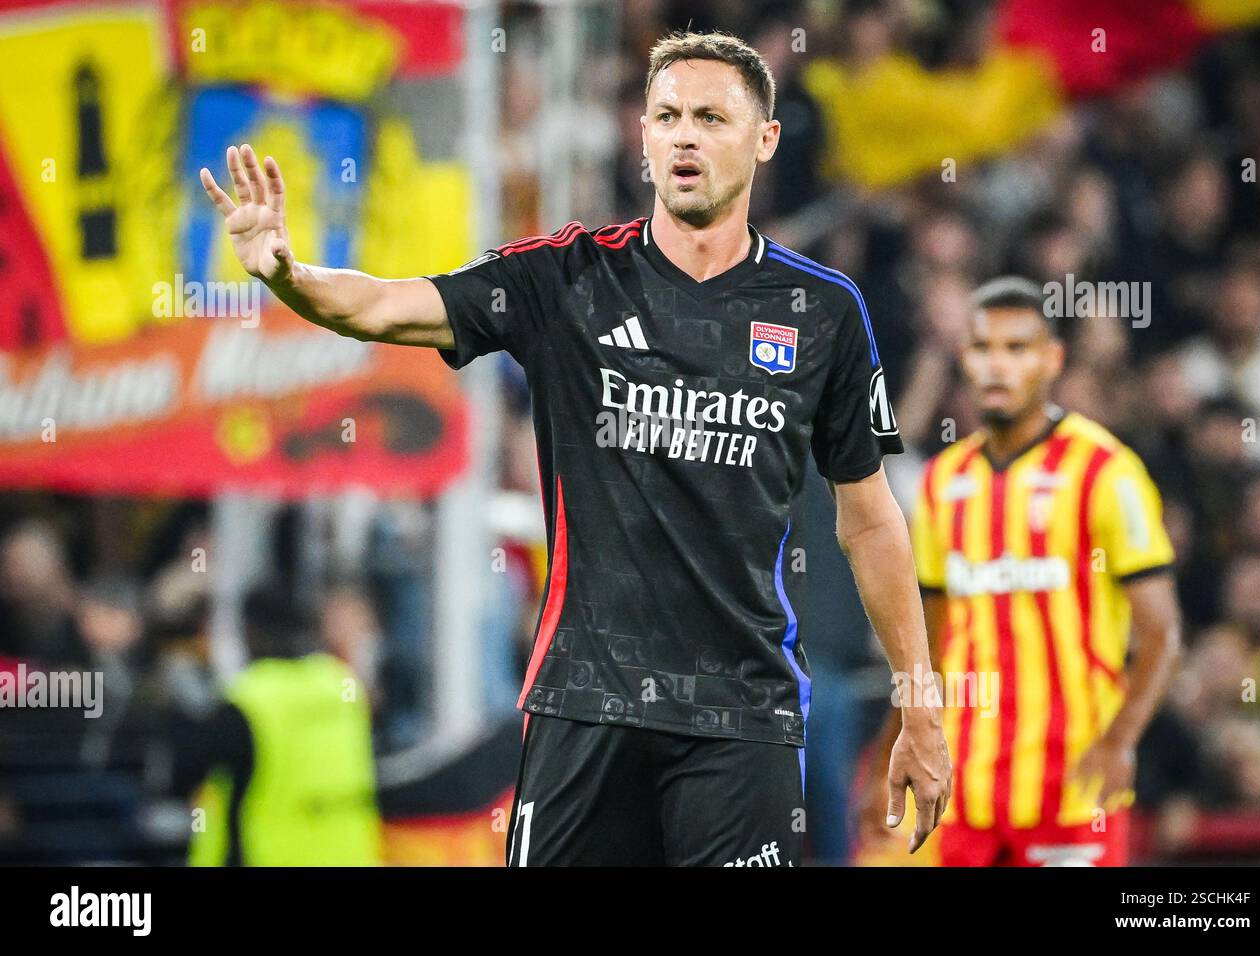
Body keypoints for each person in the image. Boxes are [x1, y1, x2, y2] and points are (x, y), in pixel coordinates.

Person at [198, 30, 949, 867]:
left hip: (741, 718)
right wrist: (288, 273)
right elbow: (384, 308)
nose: (685, 135)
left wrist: (919, 707)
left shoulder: (825, 312)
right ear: (643, 135)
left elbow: (873, 523)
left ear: (765, 138)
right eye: (666, 115)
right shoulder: (565, 278)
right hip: (585, 707)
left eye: (711, 116)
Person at [866, 277, 1183, 866]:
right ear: (964, 358)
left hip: (1069, 794)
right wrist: (893, 746)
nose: (997, 366)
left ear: (1052, 359)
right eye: (983, 348)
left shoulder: (1105, 472)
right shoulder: (942, 485)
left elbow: (1162, 635)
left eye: (1017, 349)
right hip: (966, 795)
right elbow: (928, 647)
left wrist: (1120, 742)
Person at [179, 589, 381, 866]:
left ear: (248, 630)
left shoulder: (250, 697)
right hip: (349, 857)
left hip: (270, 856)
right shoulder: (342, 684)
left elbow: (195, 774)